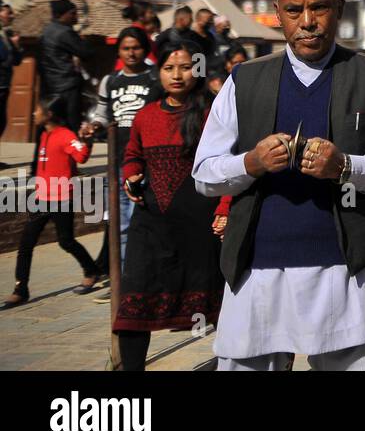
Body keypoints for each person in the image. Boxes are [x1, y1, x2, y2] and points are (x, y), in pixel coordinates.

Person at [192, 0, 365, 371]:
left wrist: (344, 166)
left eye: (319, 8)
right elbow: (203, 174)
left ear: (339, 9)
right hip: (257, 267)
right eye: (294, 10)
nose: (307, 21)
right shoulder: (244, 80)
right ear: (277, 13)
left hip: (339, 264)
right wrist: (250, 163)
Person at [112, 36, 223, 370]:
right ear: (157, 71)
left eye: (186, 67)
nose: (177, 75)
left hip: (200, 227)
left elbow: (230, 162)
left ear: (198, 69)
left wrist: (225, 208)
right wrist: (131, 174)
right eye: (168, 67)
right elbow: (132, 155)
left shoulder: (212, 112)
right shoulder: (146, 116)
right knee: (135, 302)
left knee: (216, 302)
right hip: (151, 226)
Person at [2, 96, 101, 309]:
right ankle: (21, 289)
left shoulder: (65, 135)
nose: (32, 114)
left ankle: (91, 270)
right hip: (40, 199)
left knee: (66, 241)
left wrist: (87, 139)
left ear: (49, 114)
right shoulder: (44, 135)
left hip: (61, 199)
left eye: (37, 110)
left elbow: (81, 156)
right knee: (25, 244)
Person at [84, 26, 162, 276]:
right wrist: (95, 125)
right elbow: (102, 114)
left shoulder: (156, 77)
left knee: (147, 221)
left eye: (136, 47)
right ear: (119, 51)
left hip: (150, 163)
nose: (131, 53)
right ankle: (127, 280)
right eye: (126, 48)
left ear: (145, 49)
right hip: (119, 161)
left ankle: (148, 276)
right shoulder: (111, 81)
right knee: (122, 224)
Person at [38, 0, 89, 128]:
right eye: (72, 13)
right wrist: (83, 38)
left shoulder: (46, 31)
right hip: (67, 88)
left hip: (50, 88)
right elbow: (86, 52)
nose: (75, 16)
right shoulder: (65, 32)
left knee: (49, 125)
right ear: (62, 15)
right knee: (71, 126)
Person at [0, 2, 21, 130]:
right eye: (9, 13)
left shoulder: (7, 35)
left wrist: (16, 45)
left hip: (4, 84)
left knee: (2, 121)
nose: (12, 16)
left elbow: (17, 61)